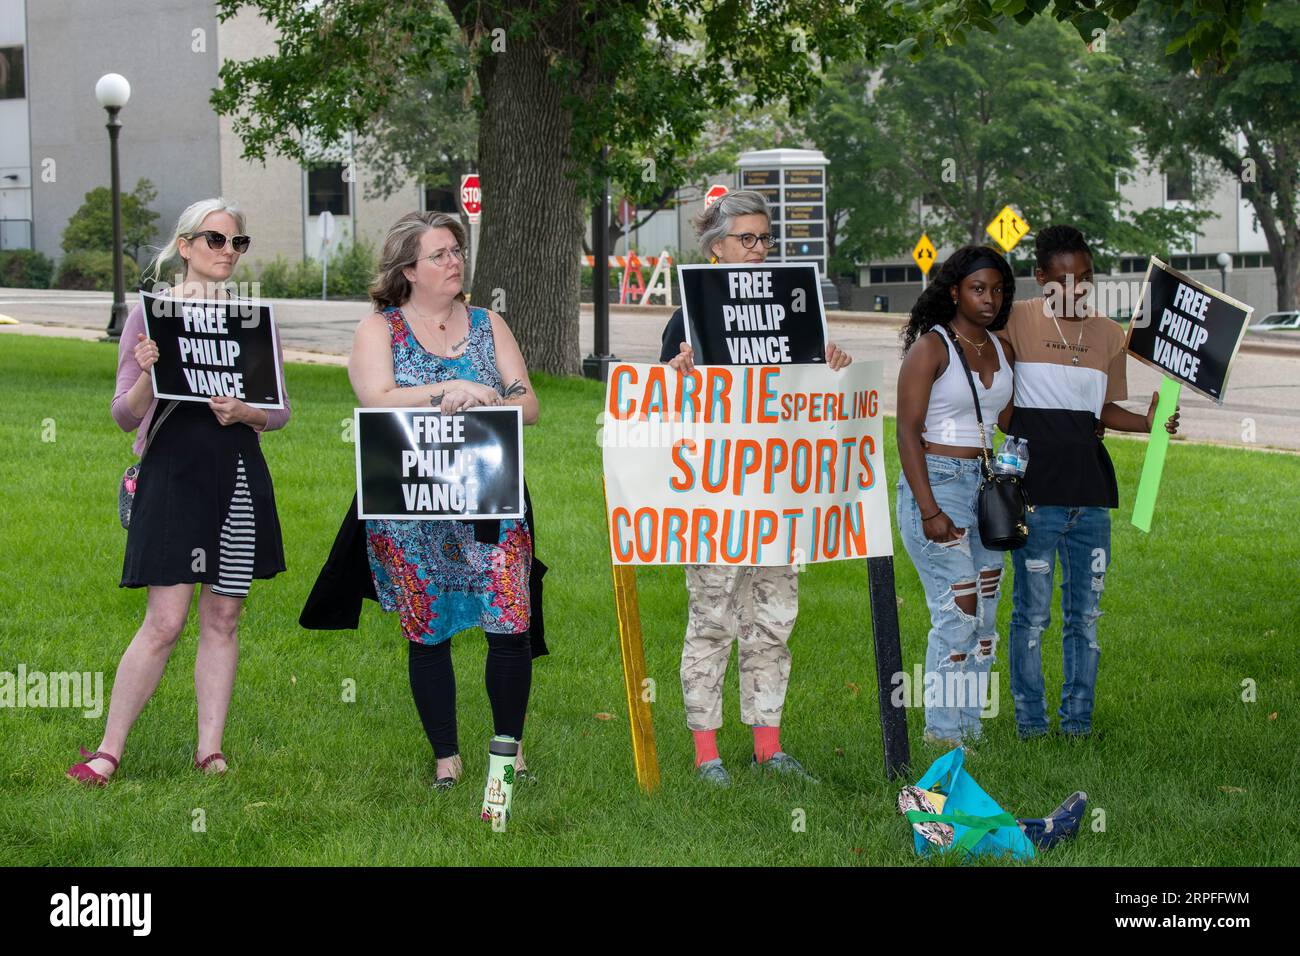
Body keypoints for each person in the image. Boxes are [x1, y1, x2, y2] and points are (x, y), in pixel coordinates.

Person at [67, 198, 289, 786]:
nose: (227, 253)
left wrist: (246, 412)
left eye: (237, 244)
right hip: (172, 474)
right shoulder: (150, 316)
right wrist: (146, 373)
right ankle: (108, 751)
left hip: (238, 476)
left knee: (225, 616)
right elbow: (122, 415)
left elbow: (281, 410)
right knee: (164, 620)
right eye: (216, 240)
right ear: (185, 245)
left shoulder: (250, 319)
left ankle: (209, 750)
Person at [659, 189, 852, 786]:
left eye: (766, 239)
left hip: (777, 499)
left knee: (772, 621)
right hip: (714, 505)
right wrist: (675, 376)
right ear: (715, 248)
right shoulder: (687, 319)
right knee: (713, 620)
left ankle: (769, 746)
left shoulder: (794, 313)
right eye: (748, 239)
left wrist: (832, 368)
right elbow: (662, 415)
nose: (760, 249)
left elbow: (808, 400)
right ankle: (706, 755)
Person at [348, 211, 539, 790]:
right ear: (408, 268)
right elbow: (376, 397)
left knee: (510, 621)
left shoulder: (489, 324)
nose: (455, 261)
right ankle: (446, 758)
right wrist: (448, 389)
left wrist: (489, 398)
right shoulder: (379, 329)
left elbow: (527, 405)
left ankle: (509, 751)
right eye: (440, 254)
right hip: (412, 502)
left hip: (490, 499)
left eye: (457, 250)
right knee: (427, 625)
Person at [997, 225, 1179, 739]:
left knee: (1086, 617)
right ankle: (1031, 725)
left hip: (1091, 499)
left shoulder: (1108, 335)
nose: (1076, 288)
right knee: (1031, 616)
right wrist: (1020, 427)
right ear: (1040, 279)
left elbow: (1103, 409)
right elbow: (993, 390)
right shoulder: (1016, 320)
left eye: (1086, 278)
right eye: (1062, 279)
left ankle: (1077, 724)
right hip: (1034, 498)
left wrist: (1148, 423)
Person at [895, 245, 1016, 745]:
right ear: (954, 292)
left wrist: (1094, 426)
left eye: (997, 290)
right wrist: (929, 510)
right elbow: (906, 431)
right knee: (958, 610)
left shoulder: (1001, 347)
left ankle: (971, 731)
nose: (989, 299)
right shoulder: (933, 347)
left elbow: (1008, 420)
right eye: (978, 289)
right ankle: (942, 734)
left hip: (985, 487)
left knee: (985, 615)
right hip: (937, 483)